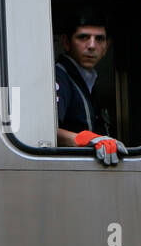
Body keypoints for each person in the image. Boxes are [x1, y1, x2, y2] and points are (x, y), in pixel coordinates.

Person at [54, 10, 127, 166]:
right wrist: (87, 139)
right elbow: (49, 130)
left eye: (99, 39)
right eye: (83, 37)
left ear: (107, 46)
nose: (92, 46)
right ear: (66, 42)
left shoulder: (89, 81)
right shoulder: (59, 77)